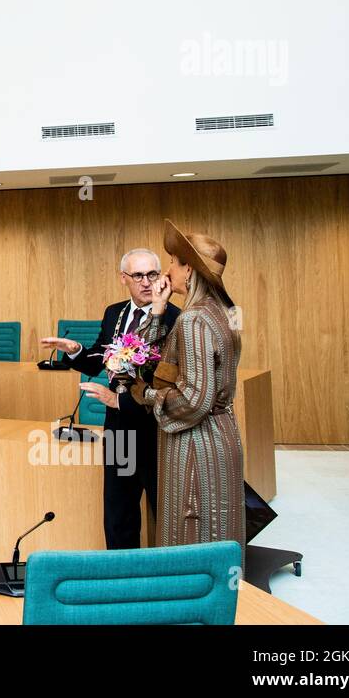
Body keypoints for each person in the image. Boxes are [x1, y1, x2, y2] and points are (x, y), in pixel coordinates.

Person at [83, 221, 245, 559]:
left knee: (190, 526)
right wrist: (156, 311)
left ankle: (182, 602)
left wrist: (141, 396)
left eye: (171, 263)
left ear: (189, 270)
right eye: (139, 275)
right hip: (201, 432)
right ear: (123, 278)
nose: (162, 275)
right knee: (209, 526)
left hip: (191, 437)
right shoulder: (221, 312)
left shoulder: (191, 319)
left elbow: (192, 399)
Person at [42, 249, 179, 549]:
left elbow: (171, 382)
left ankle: (168, 580)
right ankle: (121, 575)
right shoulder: (114, 313)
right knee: (119, 509)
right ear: (123, 279)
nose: (146, 283)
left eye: (152, 275)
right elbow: (98, 360)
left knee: (164, 508)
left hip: (157, 427)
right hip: (118, 428)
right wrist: (75, 349)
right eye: (138, 276)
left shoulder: (174, 318)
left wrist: (124, 401)